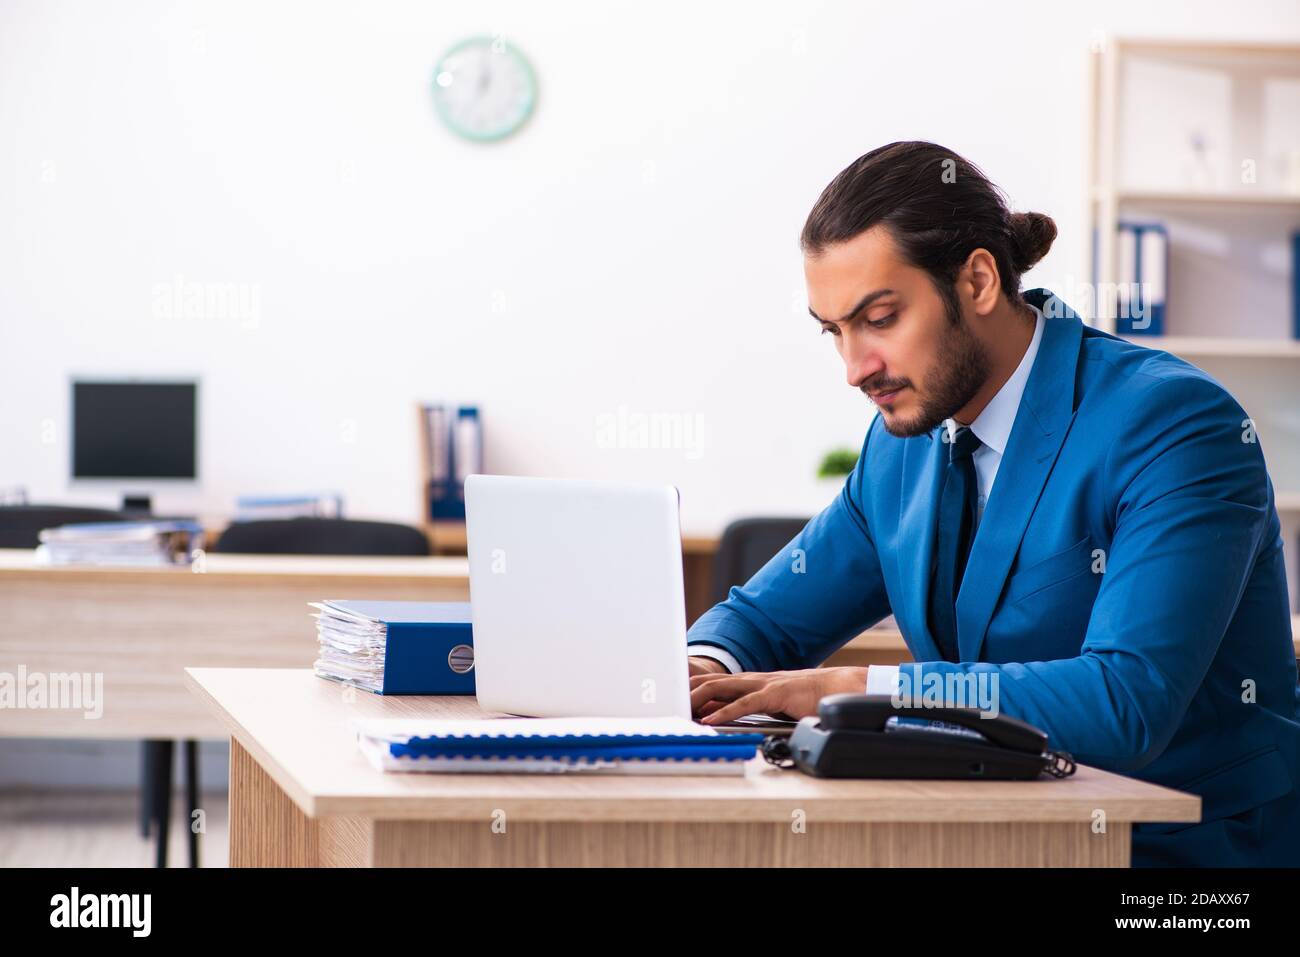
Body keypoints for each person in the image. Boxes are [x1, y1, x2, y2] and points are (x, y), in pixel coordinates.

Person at [686, 141, 1299, 867]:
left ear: (977, 280)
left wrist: (861, 688)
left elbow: (1126, 701)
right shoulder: (903, 443)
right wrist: (697, 666)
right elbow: (764, 616)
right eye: (835, 331)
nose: (854, 368)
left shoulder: (1172, 423)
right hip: (1002, 836)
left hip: (1181, 858)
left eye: (879, 318)